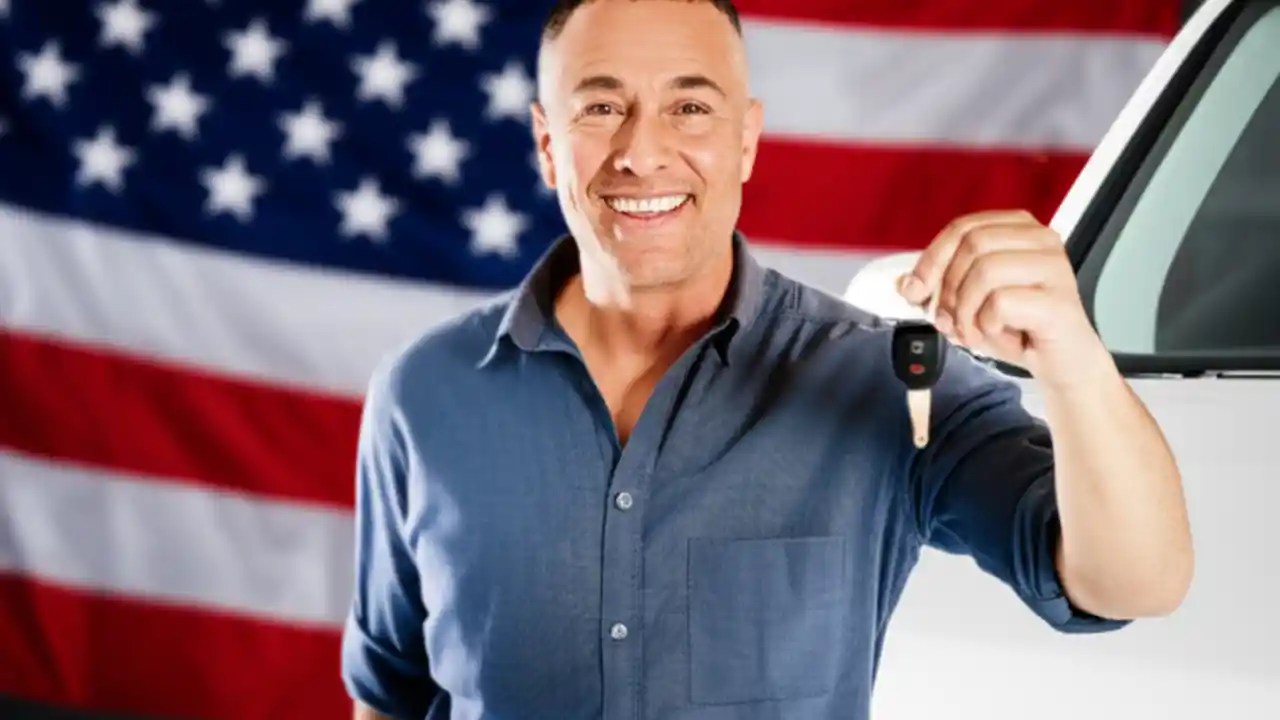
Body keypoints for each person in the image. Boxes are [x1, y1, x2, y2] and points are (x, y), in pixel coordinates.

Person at [339, 1, 1195, 718]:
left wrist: (1071, 358)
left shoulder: (888, 380)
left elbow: (1133, 583)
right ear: (547, 142)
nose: (642, 152)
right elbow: (389, 695)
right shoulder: (424, 394)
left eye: (690, 107)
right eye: (601, 108)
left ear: (746, 141)